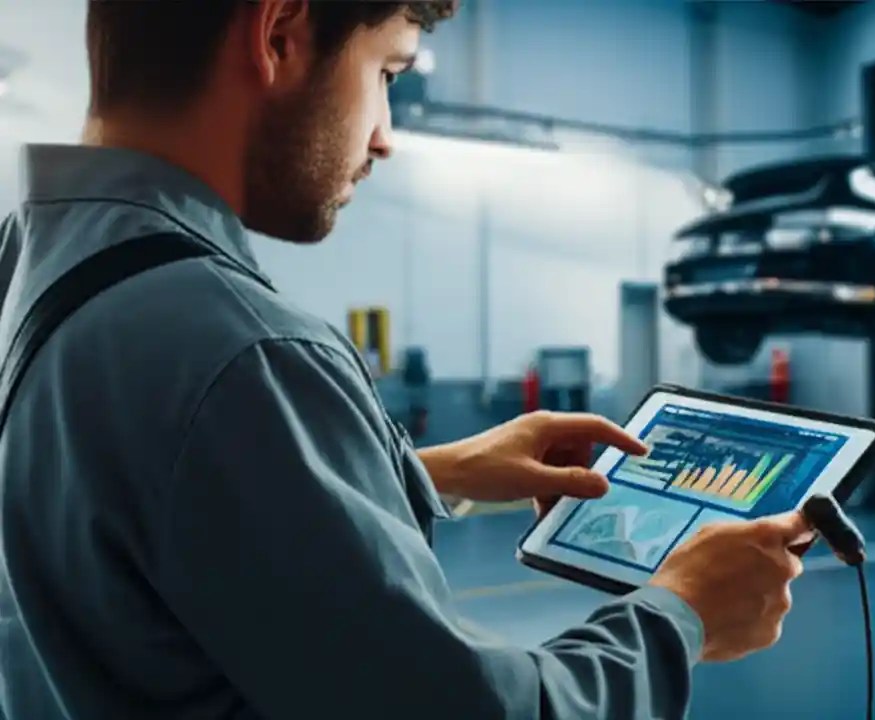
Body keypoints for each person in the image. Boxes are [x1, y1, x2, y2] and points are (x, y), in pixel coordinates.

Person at [0, 2, 814, 718]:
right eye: (388, 71)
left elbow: (145, 516)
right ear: (279, 32)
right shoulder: (244, 352)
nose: (385, 136)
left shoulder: (32, 268)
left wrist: (433, 471)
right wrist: (683, 614)